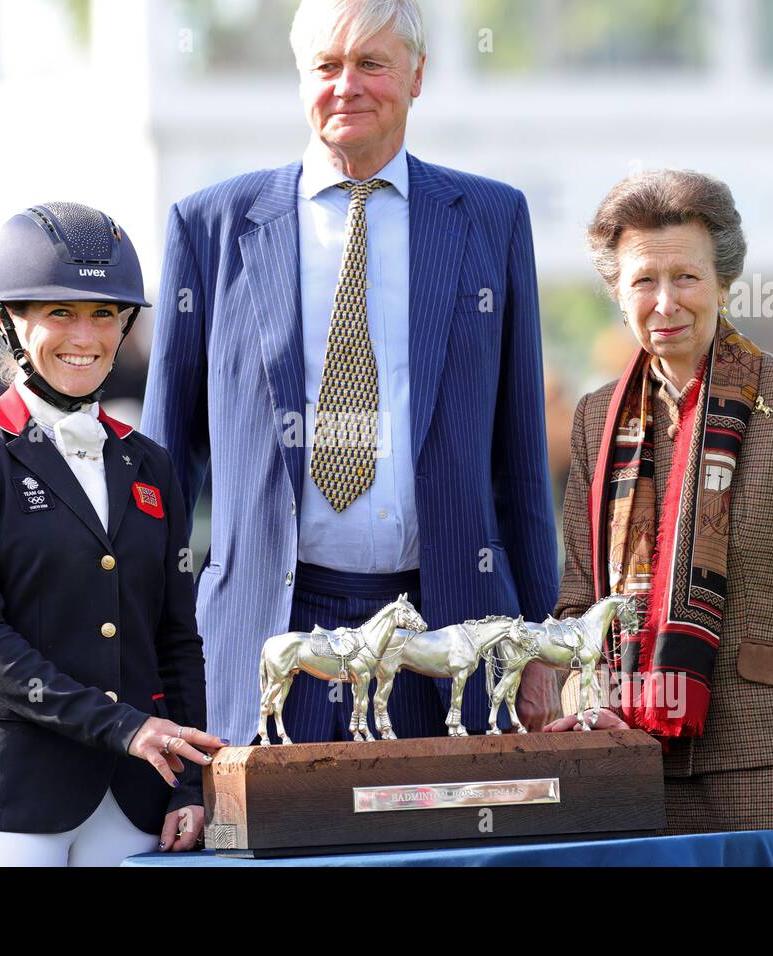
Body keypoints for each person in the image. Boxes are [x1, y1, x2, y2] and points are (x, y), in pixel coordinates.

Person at [142, 0, 561, 746]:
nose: (348, 86)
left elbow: (520, 461)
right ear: (301, 78)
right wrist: (149, 646)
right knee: (272, 856)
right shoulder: (208, 227)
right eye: (327, 66)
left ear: (418, 75)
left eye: (372, 63)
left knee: (453, 857)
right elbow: (166, 467)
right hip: (270, 633)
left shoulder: (492, 219)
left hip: (450, 634)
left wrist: (534, 643)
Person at [546, 170, 773, 866]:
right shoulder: (595, 421)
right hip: (630, 760)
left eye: (687, 277)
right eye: (644, 280)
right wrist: (587, 705)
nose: (665, 301)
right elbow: (579, 605)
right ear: (618, 293)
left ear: (725, 282)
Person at [0, 202, 222, 865]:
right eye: (61, 313)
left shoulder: (151, 463)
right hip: (7, 794)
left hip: (139, 799)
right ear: (9, 321)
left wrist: (191, 782)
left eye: (104, 315)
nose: (86, 335)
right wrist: (126, 728)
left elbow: (175, 636)